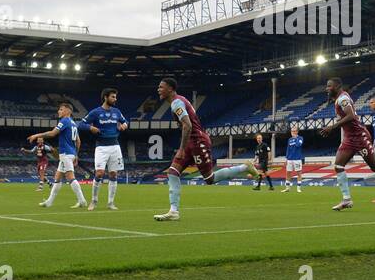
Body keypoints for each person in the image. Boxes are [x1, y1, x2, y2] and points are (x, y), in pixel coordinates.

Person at [154, 78, 258, 220]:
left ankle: (244, 167)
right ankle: (173, 211)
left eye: (161, 87)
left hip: (198, 142)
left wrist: (181, 149)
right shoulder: (178, 101)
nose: (158, 89)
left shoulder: (177, 102)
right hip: (191, 141)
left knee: (210, 178)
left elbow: (187, 126)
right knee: (173, 172)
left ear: (170, 89)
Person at [320, 78, 375, 211]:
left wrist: (332, 127)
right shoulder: (339, 98)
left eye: (329, 86)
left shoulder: (343, 99)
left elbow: (350, 116)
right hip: (349, 138)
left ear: (338, 86)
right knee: (338, 165)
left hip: (359, 137)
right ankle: (346, 199)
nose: (327, 88)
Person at [27, 102, 89, 209]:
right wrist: (76, 155)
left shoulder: (64, 121)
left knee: (70, 177)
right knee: (57, 178)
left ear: (68, 111)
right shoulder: (73, 123)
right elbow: (78, 141)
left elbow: (52, 133)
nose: (58, 111)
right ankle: (49, 202)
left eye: (61, 109)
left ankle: (82, 200)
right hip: (70, 153)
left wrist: (37, 135)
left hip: (65, 153)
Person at [79, 88, 129, 210]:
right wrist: (90, 128)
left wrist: (124, 125)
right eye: (113, 97)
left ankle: (110, 203)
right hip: (101, 146)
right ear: (105, 97)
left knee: (113, 174)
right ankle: (94, 201)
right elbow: (81, 124)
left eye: (115, 97)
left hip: (115, 146)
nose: (115, 99)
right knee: (99, 173)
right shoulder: (96, 112)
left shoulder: (117, 111)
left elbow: (125, 121)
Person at [282, 126, 305, 193]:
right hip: (289, 159)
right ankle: (287, 188)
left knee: (299, 173)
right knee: (288, 173)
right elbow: (288, 150)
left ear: (297, 131)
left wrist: (295, 138)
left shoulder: (300, 138)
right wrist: (286, 159)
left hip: (297, 159)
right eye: (292, 131)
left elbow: (298, 145)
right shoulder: (289, 140)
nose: (293, 132)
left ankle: (298, 188)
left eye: (295, 131)